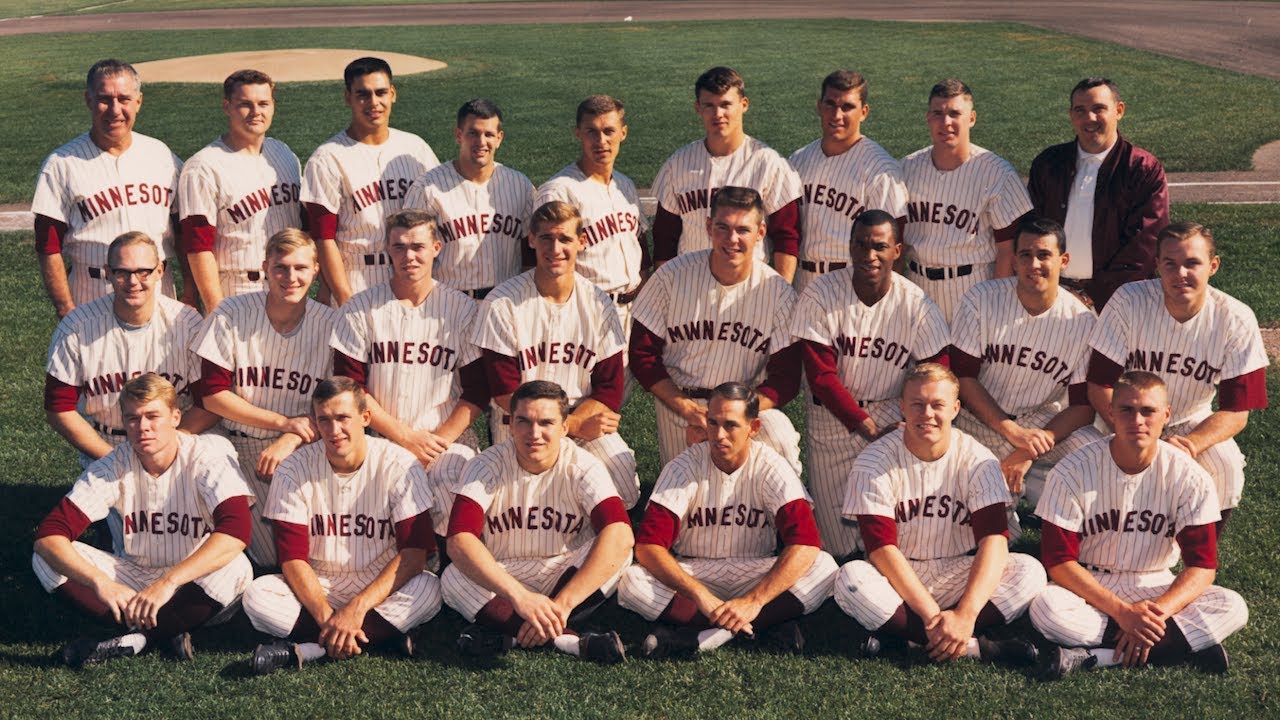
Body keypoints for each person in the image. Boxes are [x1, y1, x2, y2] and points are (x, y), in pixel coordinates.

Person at [1032, 371, 1247, 679]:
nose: (1138, 420)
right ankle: (1181, 645)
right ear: (1110, 413)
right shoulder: (1072, 470)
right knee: (1046, 608)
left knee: (1232, 605)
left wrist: (1155, 614)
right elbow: (1059, 562)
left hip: (1156, 583)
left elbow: (1202, 566)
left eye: (1148, 411)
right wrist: (1124, 615)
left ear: (1166, 415)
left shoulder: (1189, 475)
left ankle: (1095, 657)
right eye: (1127, 410)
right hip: (1092, 582)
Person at [32, 373, 254, 667]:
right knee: (45, 559)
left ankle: (134, 639)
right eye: (133, 418)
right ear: (124, 422)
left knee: (235, 566)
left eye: (153, 416)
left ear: (176, 416)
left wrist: (168, 582)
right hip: (134, 576)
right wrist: (100, 582)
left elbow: (236, 531)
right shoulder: (114, 463)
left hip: (191, 580)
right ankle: (166, 630)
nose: (143, 427)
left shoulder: (208, 454)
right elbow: (49, 534)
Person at [833, 363, 1044, 665]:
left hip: (958, 570)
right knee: (850, 579)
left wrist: (966, 614)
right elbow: (881, 550)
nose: (927, 414)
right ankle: (970, 646)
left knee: (1029, 571)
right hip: (897, 575)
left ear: (956, 408)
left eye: (937, 405)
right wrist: (935, 616)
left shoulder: (978, 459)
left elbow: (994, 542)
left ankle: (909, 639)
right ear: (902, 407)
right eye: (917, 404)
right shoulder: (873, 461)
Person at [618, 383, 837, 657]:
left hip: (755, 572)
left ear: (754, 428)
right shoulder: (683, 467)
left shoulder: (771, 466)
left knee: (825, 567)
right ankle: (762, 626)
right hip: (696, 572)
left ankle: (700, 634)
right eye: (713, 423)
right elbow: (648, 547)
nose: (719, 435)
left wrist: (755, 601)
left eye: (730, 425)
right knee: (631, 581)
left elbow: (805, 543)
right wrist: (701, 597)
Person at [243, 378, 443, 674]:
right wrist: (328, 618)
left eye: (342, 418)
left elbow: (414, 556)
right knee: (258, 596)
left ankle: (308, 648)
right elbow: (292, 559)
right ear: (315, 422)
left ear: (365, 418)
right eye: (324, 420)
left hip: (380, 582)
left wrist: (356, 609)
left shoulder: (401, 463)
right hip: (319, 583)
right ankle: (379, 638)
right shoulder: (293, 468)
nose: (334, 430)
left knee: (429, 588)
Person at [1086, 222, 1268, 535]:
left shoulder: (1235, 319)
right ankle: (1097, 542)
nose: (1179, 273)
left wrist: (1190, 445)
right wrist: (1131, 429)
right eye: (1169, 263)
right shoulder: (1128, 301)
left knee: (1225, 467)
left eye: (1192, 263)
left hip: (1188, 422)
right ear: (1156, 265)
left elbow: (1238, 411)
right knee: (1087, 459)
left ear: (1213, 266)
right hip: (1125, 416)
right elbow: (1099, 384)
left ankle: (1196, 557)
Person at [791, 209, 949, 559]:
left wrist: (909, 423)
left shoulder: (917, 303)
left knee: (897, 534)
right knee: (835, 547)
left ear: (897, 251)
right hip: (833, 419)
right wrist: (865, 426)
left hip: (892, 415)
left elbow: (938, 374)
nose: (869, 255)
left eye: (879, 246)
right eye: (861, 245)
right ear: (849, 247)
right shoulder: (821, 293)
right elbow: (821, 377)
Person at [441, 380, 634, 664]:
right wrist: (519, 597)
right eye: (524, 421)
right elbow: (459, 540)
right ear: (510, 424)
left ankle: (511, 634)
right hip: (505, 576)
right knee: (452, 578)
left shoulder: (583, 465)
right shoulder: (485, 465)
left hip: (563, 571)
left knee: (620, 554)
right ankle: (567, 640)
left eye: (546, 423)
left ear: (565, 427)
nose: (534, 433)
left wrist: (562, 604)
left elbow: (620, 533)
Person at [331, 210, 487, 550]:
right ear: (387, 249)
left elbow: (477, 392)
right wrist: (403, 437)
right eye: (399, 247)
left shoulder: (462, 310)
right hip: (379, 435)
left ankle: (452, 567)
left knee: (453, 485)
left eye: (417, 246)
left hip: (447, 436)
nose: (409, 256)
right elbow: (350, 388)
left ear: (436, 247)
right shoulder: (360, 309)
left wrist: (435, 443)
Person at [473, 201, 638, 507]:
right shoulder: (503, 303)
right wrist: (568, 427)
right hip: (520, 423)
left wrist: (574, 424)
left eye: (565, 239)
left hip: (583, 414)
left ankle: (602, 541)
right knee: (518, 500)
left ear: (582, 242)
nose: (555, 248)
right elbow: (504, 391)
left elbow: (609, 390)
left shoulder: (599, 304)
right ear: (532, 240)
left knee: (622, 475)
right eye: (546, 238)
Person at [630, 186, 802, 473]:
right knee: (690, 500)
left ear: (760, 233)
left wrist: (733, 416)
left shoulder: (778, 293)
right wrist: (686, 408)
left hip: (744, 409)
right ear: (709, 227)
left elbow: (786, 378)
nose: (732, 239)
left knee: (778, 435)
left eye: (743, 230)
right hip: (680, 408)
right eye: (723, 227)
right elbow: (642, 355)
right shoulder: (671, 277)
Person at [193, 228, 338, 566]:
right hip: (242, 445)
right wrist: (282, 422)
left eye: (301, 268)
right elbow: (212, 395)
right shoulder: (232, 312)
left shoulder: (331, 323)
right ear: (265, 267)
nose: (291, 277)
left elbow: (341, 403)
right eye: (281, 268)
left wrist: (289, 436)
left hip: (306, 445)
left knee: (322, 550)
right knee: (275, 556)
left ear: (316, 270)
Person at [949, 216, 1102, 531]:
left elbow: (1083, 407)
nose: (1034, 264)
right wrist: (1011, 432)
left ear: (1064, 260)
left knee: (1094, 450)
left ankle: (1076, 531)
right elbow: (963, 380)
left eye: (1044, 255)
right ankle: (1013, 513)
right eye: (1025, 255)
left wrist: (1029, 446)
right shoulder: (981, 299)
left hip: (1040, 426)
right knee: (980, 531)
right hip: (978, 424)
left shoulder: (1083, 323)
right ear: (1014, 261)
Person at [45, 231, 213, 470]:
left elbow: (211, 402)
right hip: (105, 448)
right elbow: (58, 409)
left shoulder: (188, 323)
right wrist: (116, 461)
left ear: (159, 271)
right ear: (108, 272)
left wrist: (170, 446)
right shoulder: (76, 326)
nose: (133, 282)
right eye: (122, 272)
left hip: (175, 444)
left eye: (143, 271)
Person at [33, 59, 184, 316]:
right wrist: (65, 307)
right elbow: (48, 246)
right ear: (88, 101)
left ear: (138, 101)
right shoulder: (61, 164)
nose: (115, 110)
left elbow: (183, 233)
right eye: (104, 99)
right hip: (92, 293)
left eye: (124, 99)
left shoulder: (162, 156)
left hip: (158, 292)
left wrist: (190, 291)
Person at [301, 57, 438, 306]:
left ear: (393, 94)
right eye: (363, 94)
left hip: (413, 274)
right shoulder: (327, 158)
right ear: (348, 97)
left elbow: (436, 220)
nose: (373, 103)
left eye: (381, 92)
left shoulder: (416, 149)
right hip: (358, 277)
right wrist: (344, 298)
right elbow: (323, 238)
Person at [1027, 77, 1169, 308]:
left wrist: (1092, 296)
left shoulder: (1142, 168)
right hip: (1052, 295)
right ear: (1071, 115)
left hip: (1118, 301)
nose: (1089, 118)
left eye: (1098, 109)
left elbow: (1145, 245)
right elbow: (1030, 230)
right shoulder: (1049, 163)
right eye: (1080, 110)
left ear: (1119, 110)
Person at [651, 66, 803, 282]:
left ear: (744, 105)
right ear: (698, 108)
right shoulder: (678, 164)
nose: (718, 114)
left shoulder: (768, 162)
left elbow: (786, 236)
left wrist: (781, 291)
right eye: (709, 106)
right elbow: (665, 238)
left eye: (725, 105)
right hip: (690, 284)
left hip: (750, 287)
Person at [900, 79, 1032, 322]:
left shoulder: (996, 172)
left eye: (954, 113)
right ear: (928, 118)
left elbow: (1007, 250)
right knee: (921, 361)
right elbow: (897, 243)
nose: (946, 122)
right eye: (938, 114)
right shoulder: (907, 168)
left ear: (971, 118)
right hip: (917, 288)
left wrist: (995, 302)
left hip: (972, 288)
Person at [179, 69, 302, 312]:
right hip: (238, 290)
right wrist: (217, 309)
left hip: (290, 286)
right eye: (245, 104)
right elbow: (198, 247)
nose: (257, 112)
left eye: (263, 103)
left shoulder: (284, 154)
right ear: (227, 106)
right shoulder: (203, 166)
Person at [535, 95, 649, 337]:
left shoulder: (625, 186)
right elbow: (546, 262)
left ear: (623, 133)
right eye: (591, 132)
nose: (601, 141)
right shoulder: (559, 190)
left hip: (633, 311)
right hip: (587, 313)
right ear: (578, 133)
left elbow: (641, 247)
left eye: (609, 131)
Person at [788, 70, 907, 294]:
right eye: (830, 104)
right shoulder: (798, 160)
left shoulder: (881, 170)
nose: (837, 115)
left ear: (864, 112)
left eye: (847, 107)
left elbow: (894, 253)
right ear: (819, 106)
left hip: (853, 284)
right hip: (804, 283)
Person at [403, 98, 534, 300]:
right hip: (448, 303)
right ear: (459, 135)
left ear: (499, 138)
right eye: (473, 133)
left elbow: (532, 252)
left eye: (489, 134)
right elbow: (411, 255)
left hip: (505, 303)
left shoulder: (520, 185)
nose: (481, 142)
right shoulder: (427, 188)